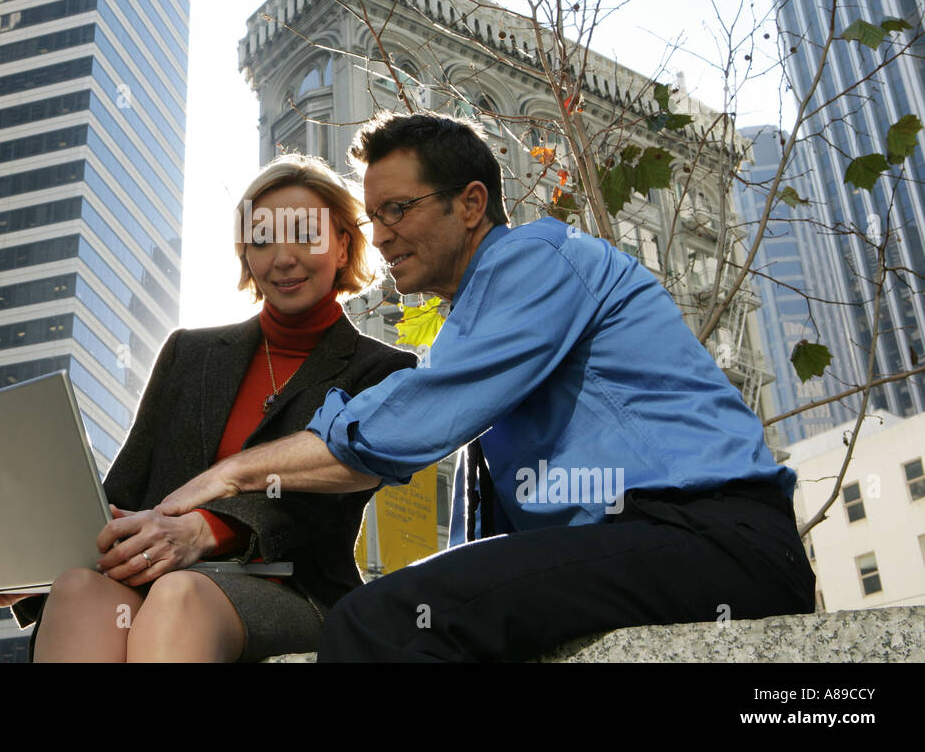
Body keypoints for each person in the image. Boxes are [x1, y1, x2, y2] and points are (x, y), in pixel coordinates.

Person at [158, 111, 817, 662]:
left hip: (714, 540)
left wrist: (237, 472)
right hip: (642, 544)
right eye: (373, 217)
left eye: (396, 209)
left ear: (471, 203)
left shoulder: (538, 262)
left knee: (379, 622)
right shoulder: (475, 321)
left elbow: (404, 426)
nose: (380, 235)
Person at [0, 154, 415, 661]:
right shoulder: (188, 353)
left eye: (305, 235)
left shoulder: (381, 369)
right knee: (79, 591)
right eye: (261, 239)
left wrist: (206, 531)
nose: (283, 257)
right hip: (155, 576)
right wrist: (33, 569)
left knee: (178, 595)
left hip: (291, 588)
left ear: (343, 244)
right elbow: (125, 491)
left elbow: (322, 501)